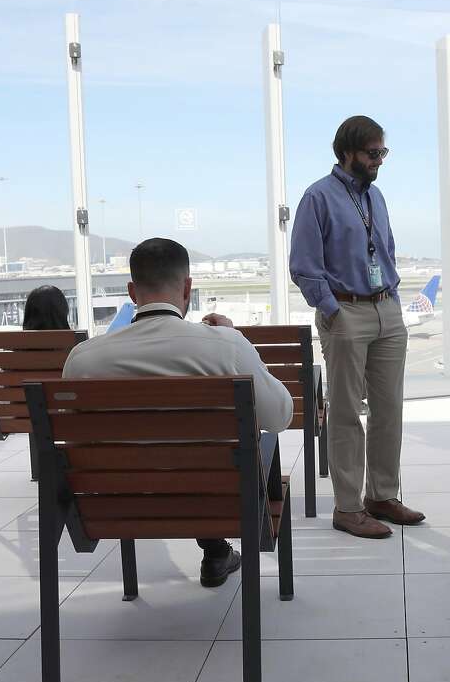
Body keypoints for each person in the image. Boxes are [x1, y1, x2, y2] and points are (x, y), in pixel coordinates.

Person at [62, 238, 293, 587]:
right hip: (217, 501)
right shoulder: (225, 346)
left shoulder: (82, 360)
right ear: (187, 287)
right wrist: (236, 340)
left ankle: (213, 550)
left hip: (116, 504)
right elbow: (280, 416)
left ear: (131, 291)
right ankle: (215, 548)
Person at [289, 115, 425, 539]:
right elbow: (304, 267)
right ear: (347, 152)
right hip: (345, 312)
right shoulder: (317, 198)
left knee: (390, 410)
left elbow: (385, 251)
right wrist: (332, 309)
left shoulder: (376, 197)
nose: (379, 160)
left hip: (387, 310)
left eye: (383, 152)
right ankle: (348, 508)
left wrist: (393, 297)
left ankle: (381, 496)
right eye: (372, 153)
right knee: (347, 412)